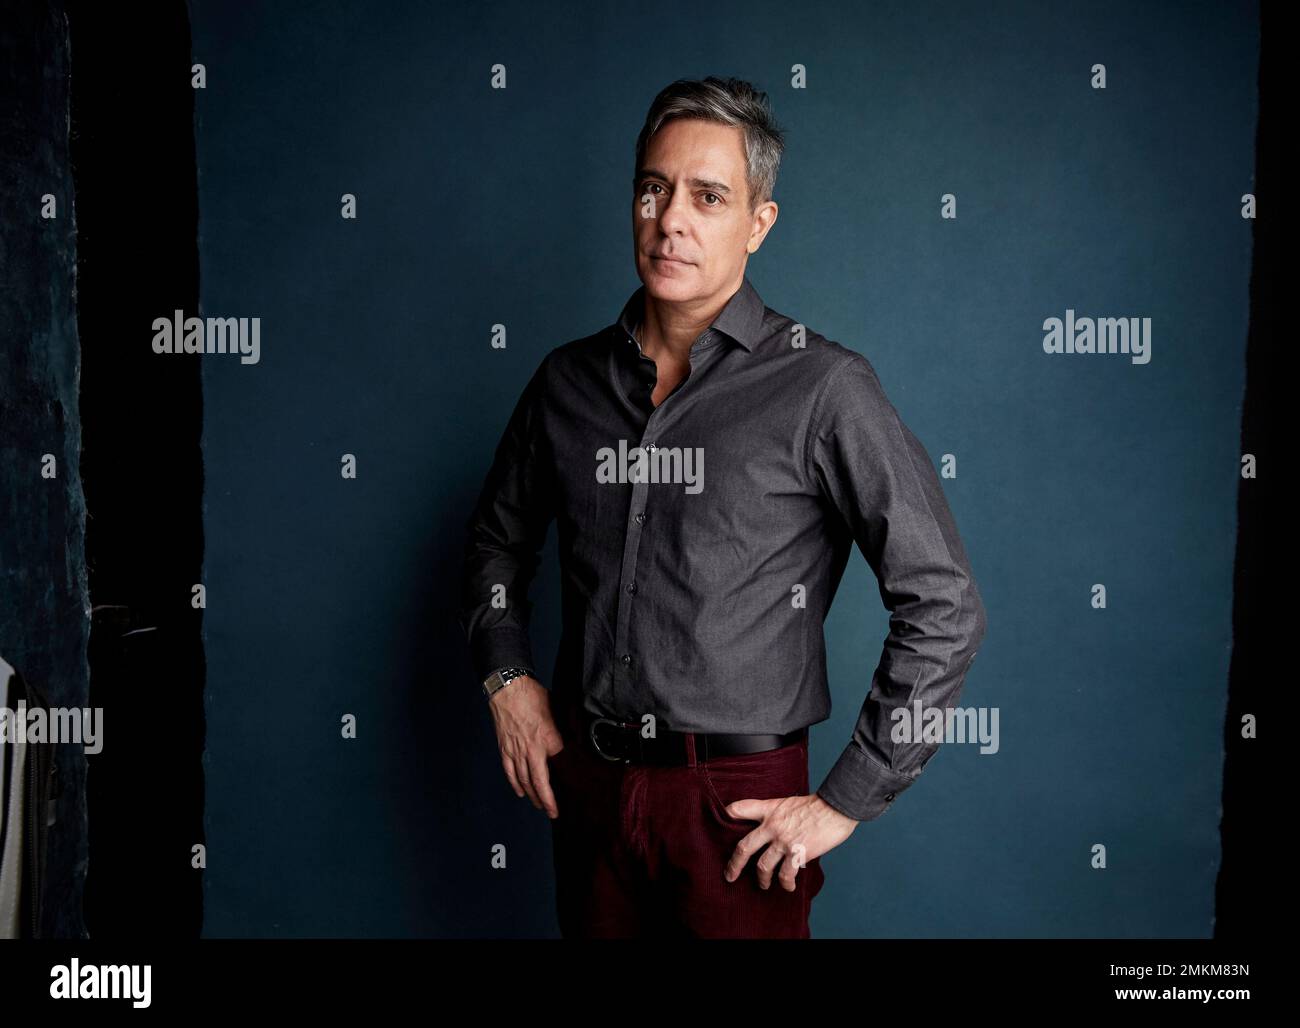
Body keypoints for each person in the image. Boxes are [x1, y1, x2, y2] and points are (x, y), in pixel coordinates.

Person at [457, 76, 987, 938]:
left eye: (709, 197)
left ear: (757, 224)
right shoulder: (564, 385)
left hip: (740, 812)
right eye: (653, 189)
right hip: (587, 794)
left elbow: (944, 606)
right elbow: (493, 545)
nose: (672, 220)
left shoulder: (823, 387)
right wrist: (507, 678)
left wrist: (846, 800)